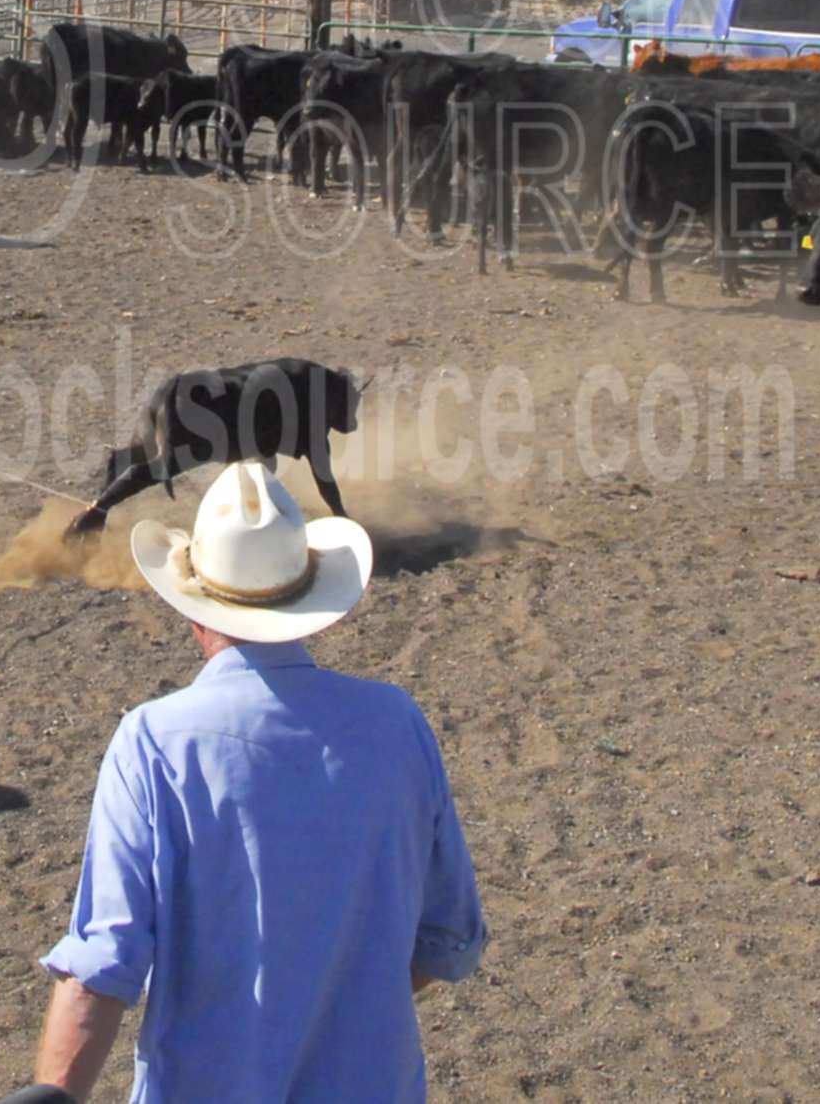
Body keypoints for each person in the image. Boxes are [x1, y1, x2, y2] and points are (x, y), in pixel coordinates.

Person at [26, 464, 488, 1102]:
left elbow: (105, 961)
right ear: (311, 606)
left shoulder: (156, 740)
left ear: (195, 610)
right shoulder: (396, 723)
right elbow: (450, 939)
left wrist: (53, 1095)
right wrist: (327, 984)